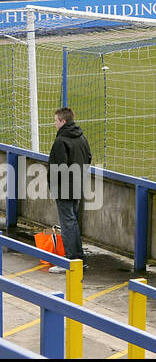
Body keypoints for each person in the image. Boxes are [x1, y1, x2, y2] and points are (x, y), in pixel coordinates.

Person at [48, 107, 92, 270]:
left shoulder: (61, 141)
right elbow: (88, 158)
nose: (54, 123)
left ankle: (72, 260)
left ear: (63, 121)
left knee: (67, 223)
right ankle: (79, 259)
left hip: (64, 188)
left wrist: (54, 185)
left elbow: (59, 167)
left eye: (56, 120)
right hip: (78, 185)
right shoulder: (81, 137)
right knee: (72, 221)